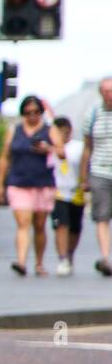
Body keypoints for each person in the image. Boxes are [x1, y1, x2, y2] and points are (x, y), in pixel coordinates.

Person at [0, 95, 64, 276]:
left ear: (41, 113)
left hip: (42, 183)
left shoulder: (50, 130)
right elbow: (5, 158)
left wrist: (47, 149)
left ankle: (39, 263)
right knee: (23, 222)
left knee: (40, 225)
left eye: (35, 112)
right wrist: (0, 185)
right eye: (28, 113)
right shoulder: (14, 130)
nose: (32, 116)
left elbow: (61, 152)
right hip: (18, 181)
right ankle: (21, 261)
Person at [80, 77, 112, 276]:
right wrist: (84, 177)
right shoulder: (93, 114)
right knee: (102, 216)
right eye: (106, 91)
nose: (109, 95)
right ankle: (105, 257)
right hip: (100, 170)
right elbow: (87, 147)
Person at [51, 116, 85, 276]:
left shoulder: (78, 147)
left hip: (76, 192)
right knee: (61, 225)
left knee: (75, 228)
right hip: (58, 193)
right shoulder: (50, 148)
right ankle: (62, 257)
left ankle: (70, 253)